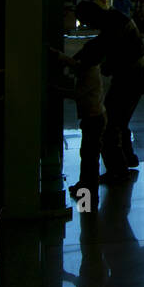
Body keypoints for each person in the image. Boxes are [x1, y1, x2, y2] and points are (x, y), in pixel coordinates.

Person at [73, 1, 144, 181]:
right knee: (120, 119)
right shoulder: (114, 18)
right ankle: (127, 158)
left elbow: (100, 48)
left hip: (129, 77)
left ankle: (118, 170)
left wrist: (75, 62)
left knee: (110, 124)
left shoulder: (112, 23)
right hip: (136, 74)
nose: (88, 25)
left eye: (86, 21)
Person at [51, 44, 106, 209]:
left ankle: (89, 198)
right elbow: (76, 65)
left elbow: (76, 94)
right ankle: (85, 189)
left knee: (89, 158)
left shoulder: (89, 73)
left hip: (93, 119)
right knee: (88, 156)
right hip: (95, 118)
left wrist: (56, 91)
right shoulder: (91, 67)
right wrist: (60, 56)